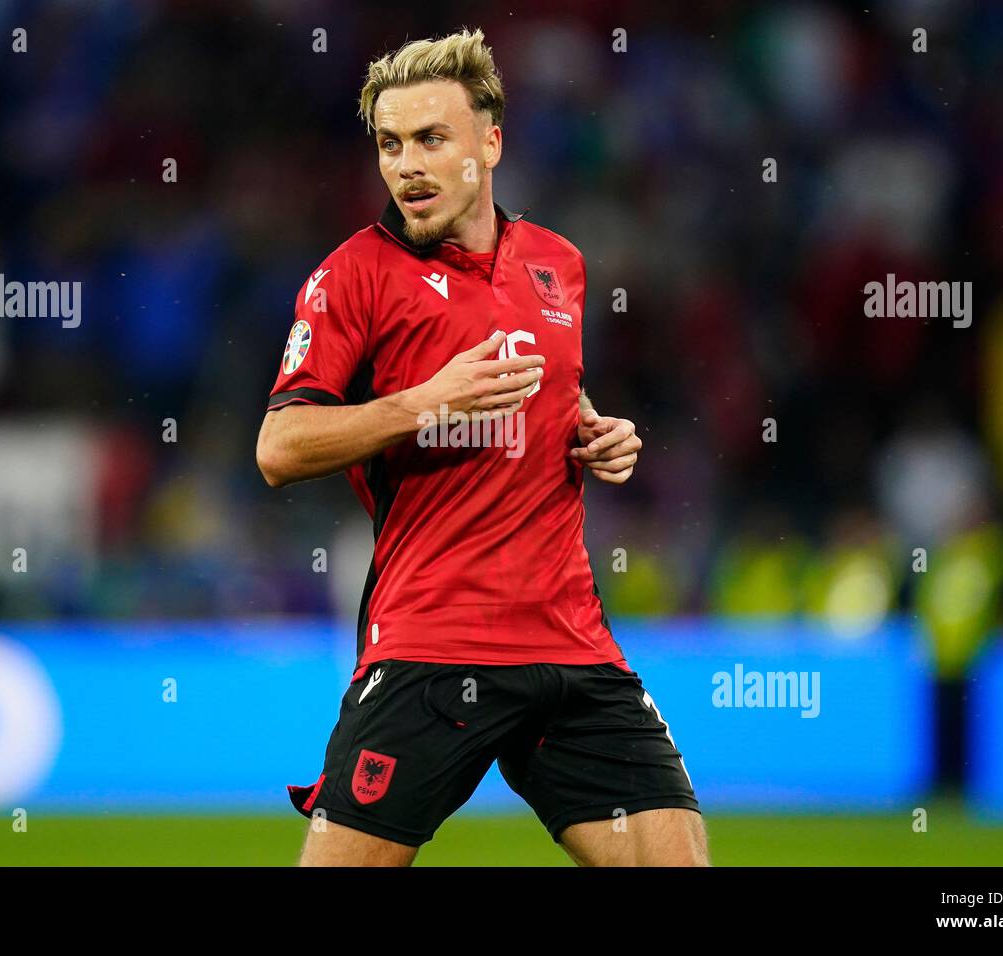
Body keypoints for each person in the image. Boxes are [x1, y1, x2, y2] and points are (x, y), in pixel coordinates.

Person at [257, 28, 707, 866]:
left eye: (432, 139)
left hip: (571, 641)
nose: (408, 165)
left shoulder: (558, 265)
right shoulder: (350, 277)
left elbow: (553, 381)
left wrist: (592, 430)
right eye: (390, 145)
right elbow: (280, 446)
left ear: (490, 141)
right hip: (432, 638)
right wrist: (422, 402)